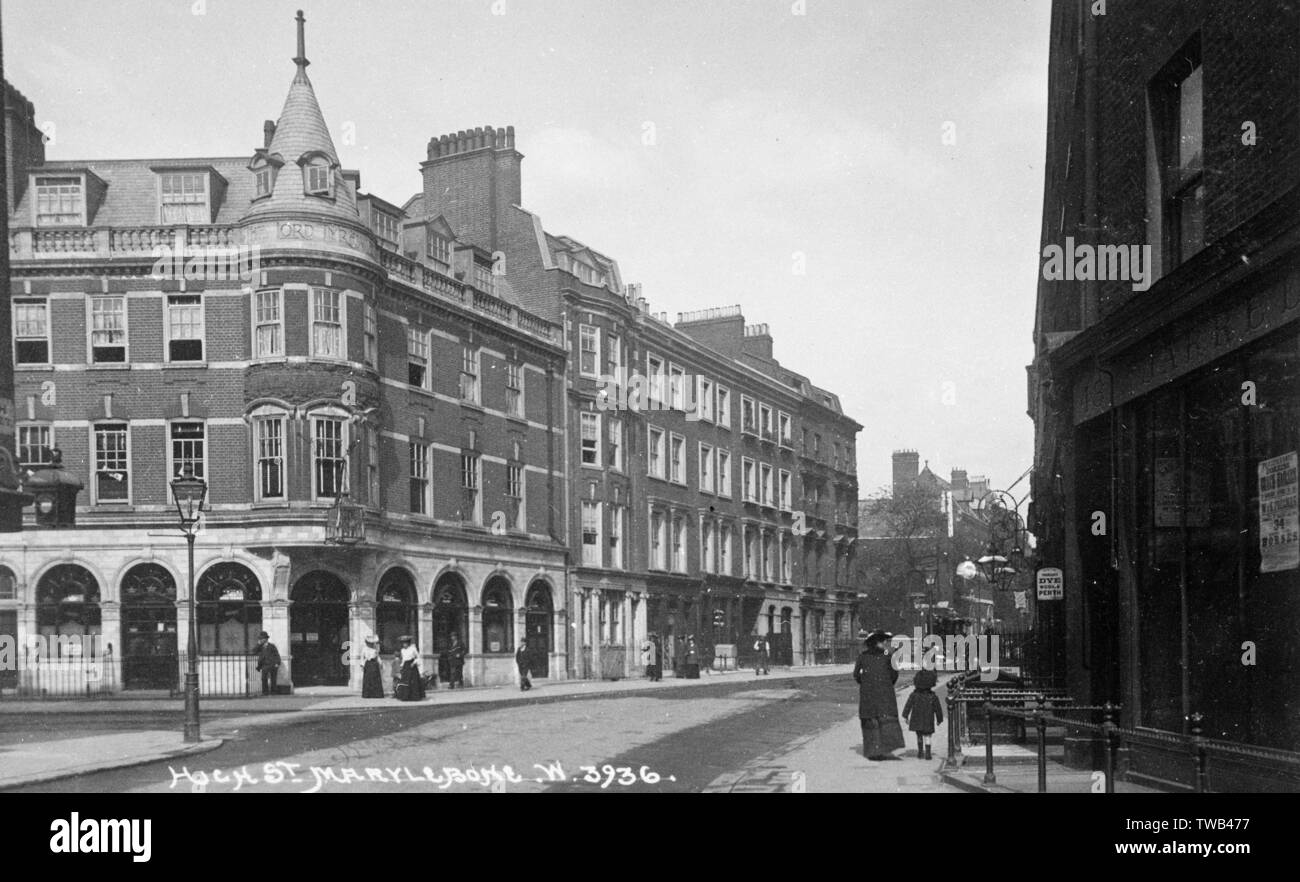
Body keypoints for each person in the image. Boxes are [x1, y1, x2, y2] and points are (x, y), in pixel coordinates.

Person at [853, 630, 905, 761]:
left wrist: (865, 682)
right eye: (883, 641)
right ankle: (884, 750)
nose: (885, 644)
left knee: (871, 720)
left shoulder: (862, 656)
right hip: (885, 693)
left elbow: (856, 674)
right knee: (884, 719)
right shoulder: (888, 656)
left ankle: (873, 752)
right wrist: (886, 683)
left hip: (868, 694)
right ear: (877, 642)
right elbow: (894, 674)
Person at [902, 668, 944, 759]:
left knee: (919, 735)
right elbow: (938, 709)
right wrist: (939, 719)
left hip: (917, 718)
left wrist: (905, 716)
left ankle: (920, 752)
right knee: (928, 735)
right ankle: (928, 753)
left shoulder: (914, 695)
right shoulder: (933, 696)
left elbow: (908, 705)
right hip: (928, 718)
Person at [396, 635, 425, 701]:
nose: (404, 645)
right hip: (406, 666)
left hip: (412, 665)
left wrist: (414, 663)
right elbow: (403, 659)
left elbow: (418, 657)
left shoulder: (413, 649)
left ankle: (414, 697)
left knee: (413, 681)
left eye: (405, 643)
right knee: (405, 681)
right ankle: (405, 696)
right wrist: (401, 666)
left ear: (408, 643)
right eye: (403, 643)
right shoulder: (402, 650)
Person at [255, 631, 281, 696]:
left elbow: (277, 655)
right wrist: (258, 644)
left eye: (262, 638)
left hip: (272, 664)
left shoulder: (272, 646)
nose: (261, 640)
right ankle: (265, 692)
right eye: (260, 638)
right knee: (264, 678)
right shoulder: (260, 647)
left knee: (273, 679)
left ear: (266, 639)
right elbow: (253, 652)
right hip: (264, 665)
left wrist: (277, 663)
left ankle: (273, 692)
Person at [361, 634, 384, 699]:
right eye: (369, 643)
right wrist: (362, 665)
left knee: (375, 679)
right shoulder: (364, 649)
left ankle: (376, 694)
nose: (370, 644)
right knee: (368, 679)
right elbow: (362, 658)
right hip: (368, 664)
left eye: (372, 643)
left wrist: (381, 663)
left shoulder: (375, 649)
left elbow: (377, 657)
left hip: (374, 664)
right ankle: (367, 694)